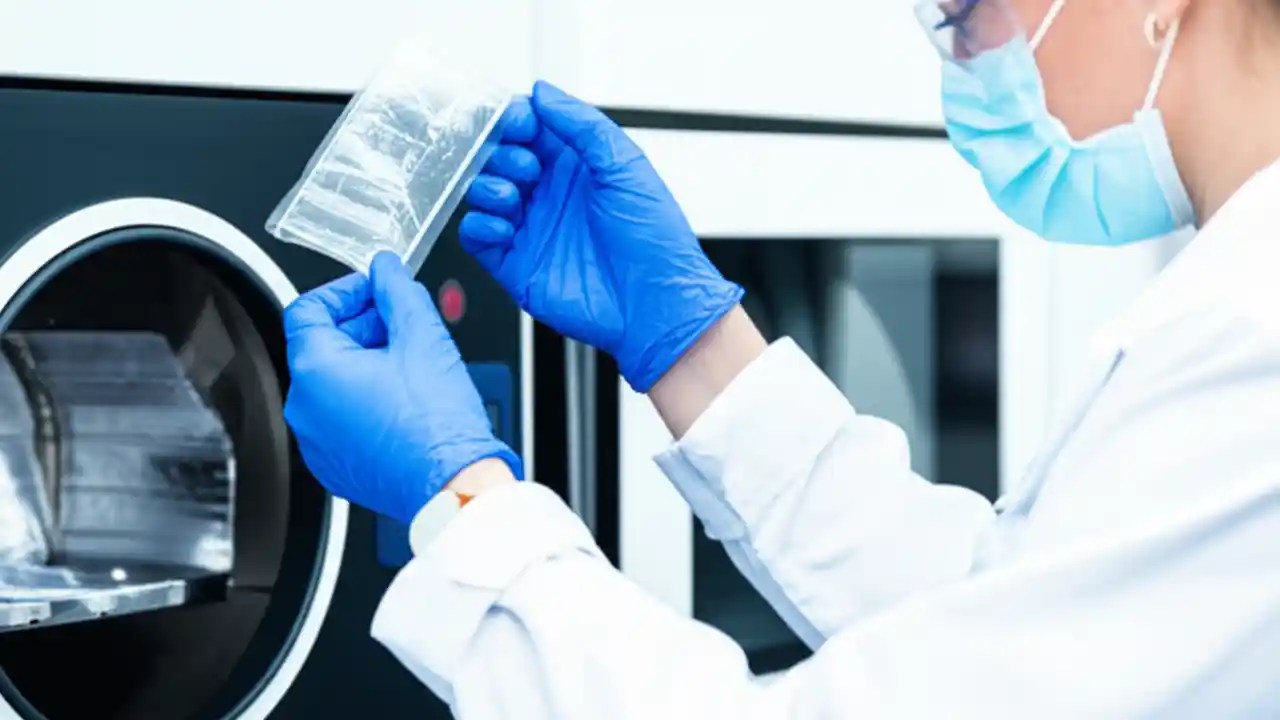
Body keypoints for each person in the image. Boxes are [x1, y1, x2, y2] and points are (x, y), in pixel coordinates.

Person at [282, 0, 1280, 716]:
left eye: (965, 11)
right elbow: (1011, 624)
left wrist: (462, 504)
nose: (963, 65)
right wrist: (695, 348)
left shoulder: (1250, 341)